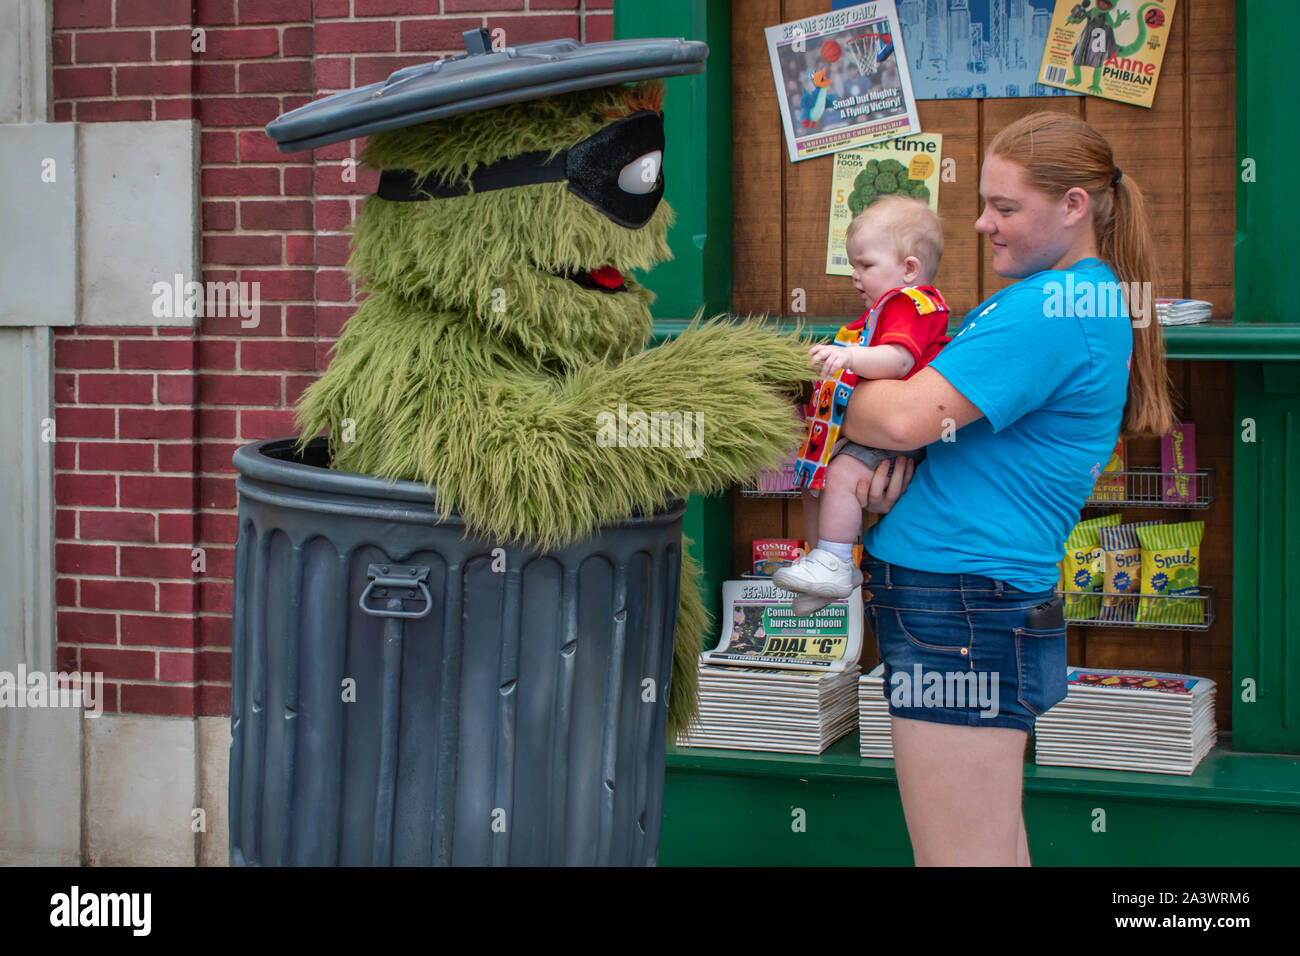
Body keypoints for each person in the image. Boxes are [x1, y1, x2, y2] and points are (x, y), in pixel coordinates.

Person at [838, 111, 1175, 866]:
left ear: (1075, 206)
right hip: (966, 599)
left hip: (959, 604)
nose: (983, 224)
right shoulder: (1067, 295)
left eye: (1006, 208)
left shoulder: (1050, 308)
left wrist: (823, 394)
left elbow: (899, 418)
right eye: (984, 203)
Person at [776, 196, 951, 616]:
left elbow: (900, 360)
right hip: (866, 428)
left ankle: (835, 560)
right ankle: (825, 562)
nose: (855, 276)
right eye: (853, 265)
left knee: (840, 477)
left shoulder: (909, 305)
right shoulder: (876, 313)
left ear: (909, 269)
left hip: (898, 434)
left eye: (866, 265)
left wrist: (849, 358)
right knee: (815, 484)